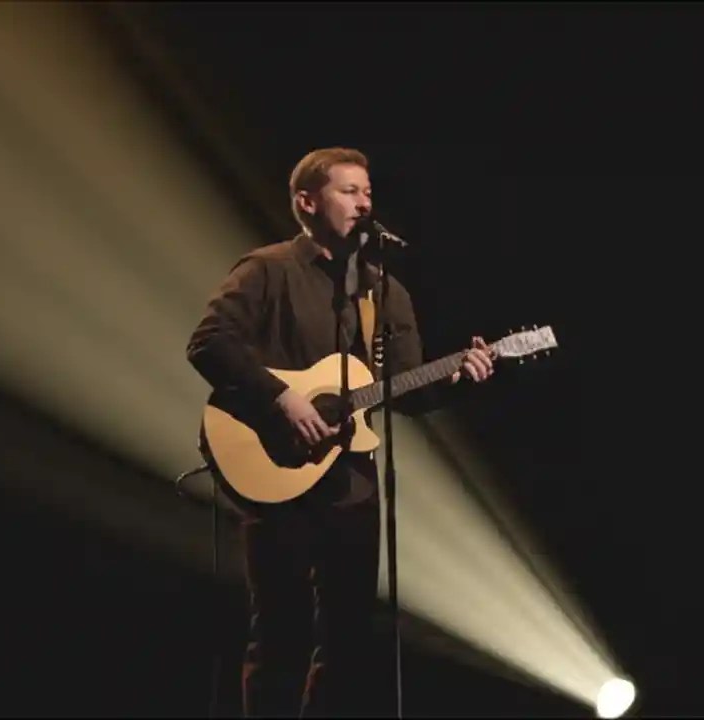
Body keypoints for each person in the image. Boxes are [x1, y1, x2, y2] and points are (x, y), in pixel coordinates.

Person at [186, 147, 495, 718]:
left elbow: (406, 389)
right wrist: (282, 399)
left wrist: (459, 378)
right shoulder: (267, 269)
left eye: (367, 192)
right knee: (279, 634)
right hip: (277, 472)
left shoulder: (385, 291)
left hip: (352, 482)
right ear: (307, 203)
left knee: (349, 641)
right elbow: (209, 342)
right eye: (348, 191)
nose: (363, 203)